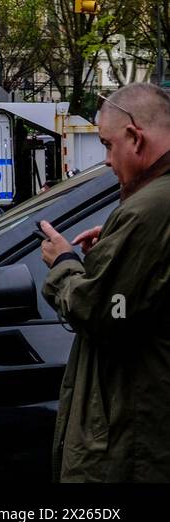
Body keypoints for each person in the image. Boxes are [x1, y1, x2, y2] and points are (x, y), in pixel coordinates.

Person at [39, 83, 170, 481]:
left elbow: (99, 312)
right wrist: (115, 250)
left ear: (135, 137)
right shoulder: (152, 205)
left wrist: (63, 263)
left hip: (136, 441)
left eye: (109, 145)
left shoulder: (150, 209)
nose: (108, 160)